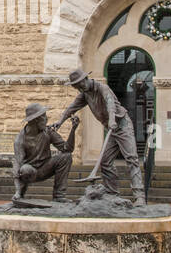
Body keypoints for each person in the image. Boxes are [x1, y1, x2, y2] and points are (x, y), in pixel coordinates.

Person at [54, 67, 145, 205]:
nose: (79, 88)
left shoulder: (102, 88)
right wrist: (59, 122)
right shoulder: (85, 94)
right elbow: (71, 109)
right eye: (76, 87)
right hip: (111, 129)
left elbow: (110, 104)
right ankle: (112, 192)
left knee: (131, 158)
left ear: (86, 79)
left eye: (80, 84)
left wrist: (112, 119)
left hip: (122, 125)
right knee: (105, 161)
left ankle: (139, 196)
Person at [11, 103, 76, 204]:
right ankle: (21, 195)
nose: (47, 119)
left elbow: (67, 149)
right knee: (24, 169)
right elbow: (17, 166)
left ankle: (59, 196)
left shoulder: (48, 131)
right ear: (36, 120)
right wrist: (17, 192)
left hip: (46, 167)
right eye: (44, 117)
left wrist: (73, 129)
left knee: (66, 157)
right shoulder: (20, 140)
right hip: (31, 172)